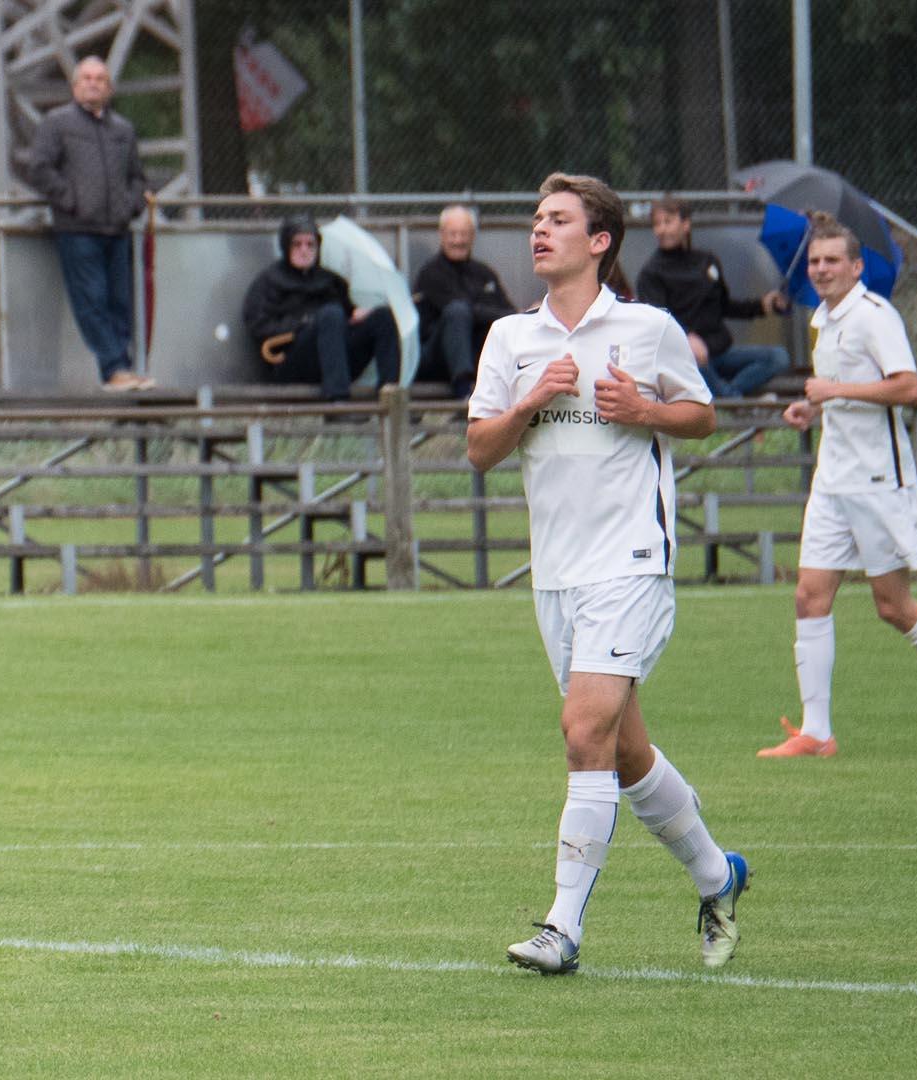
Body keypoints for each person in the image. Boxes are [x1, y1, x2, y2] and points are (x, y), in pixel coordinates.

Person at [466, 173, 747, 975]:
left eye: (558, 219)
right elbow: (480, 450)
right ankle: (717, 874)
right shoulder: (509, 340)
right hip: (555, 574)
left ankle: (562, 928)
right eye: (535, 218)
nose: (538, 231)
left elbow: (701, 415)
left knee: (582, 730)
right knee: (623, 754)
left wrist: (644, 411)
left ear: (600, 241)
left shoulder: (647, 327)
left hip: (630, 564)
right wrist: (527, 403)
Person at [760, 212, 917, 758]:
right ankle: (817, 732)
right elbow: (842, 392)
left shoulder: (875, 315)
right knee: (809, 597)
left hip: (880, 480)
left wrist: (833, 387)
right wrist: (812, 407)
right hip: (832, 480)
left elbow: (907, 387)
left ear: (856, 267)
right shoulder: (823, 320)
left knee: (893, 606)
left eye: (833, 260)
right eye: (815, 261)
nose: (821, 269)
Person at [31, 56, 152, 392]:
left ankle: (122, 369)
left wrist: (131, 206)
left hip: (117, 229)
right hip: (78, 231)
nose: (93, 83)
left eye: (100, 78)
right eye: (86, 78)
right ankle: (114, 368)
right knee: (92, 300)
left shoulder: (123, 130)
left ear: (109, 87)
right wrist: (71, 202)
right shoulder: (57, 123)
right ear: (74, 86)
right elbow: (40, 168)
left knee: (121, 303)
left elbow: (138, 178)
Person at [636, 197, 791, 399]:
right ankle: (738, 404)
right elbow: (657, 321)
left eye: (668, 222)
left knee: (778, 358)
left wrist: (763, 305)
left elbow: (724, 305)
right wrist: (687, 337)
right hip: (685, 359)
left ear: (686, 224)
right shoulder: (651, 272)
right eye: (657, 224)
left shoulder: (707, 261)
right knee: (694, 365)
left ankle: (729, 398)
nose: (661, 230)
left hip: (720, 352)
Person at [241, 216, 400, 400]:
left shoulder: (330, 281)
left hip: (338, 358)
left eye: (310, 245)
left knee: (383, 317)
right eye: (297, 244)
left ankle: (392, 398)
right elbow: (259, 327)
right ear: (286, 246)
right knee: (330, 314)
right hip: (292, 360)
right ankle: (337, 401)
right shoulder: (268, 282)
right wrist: (305, 322)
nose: (304, 250)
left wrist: (357, 315)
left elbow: (346, 314)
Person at [412, 205, 514, 397]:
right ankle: (463, 389)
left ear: (473, 235)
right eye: (452, 234)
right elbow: (467, 310)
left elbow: (509, 312)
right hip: (436, 357)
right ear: (442, 235)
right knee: (458, 312)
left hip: (479, 354)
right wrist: (500, 313)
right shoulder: (431, 273)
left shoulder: (485, 273)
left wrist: (525, 314)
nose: (458, 240)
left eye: (464, 234)